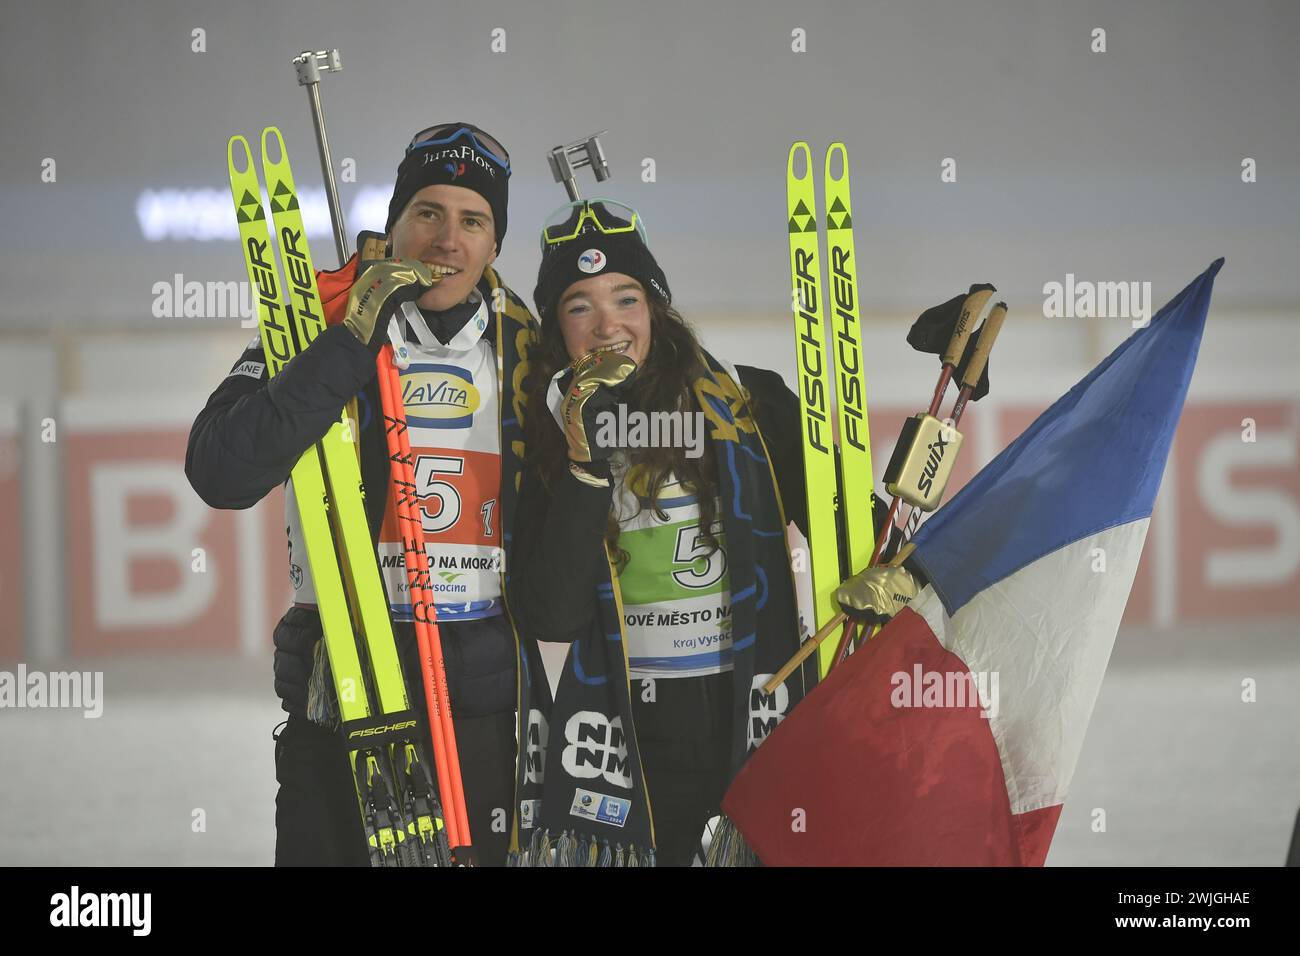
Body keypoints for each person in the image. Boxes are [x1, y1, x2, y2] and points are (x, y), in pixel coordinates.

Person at [186, 122, 548, 866]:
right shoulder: (315, 326)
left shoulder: (528, 354)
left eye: (472, 221)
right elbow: (220, 470)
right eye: (427, 213)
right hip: (341, 696)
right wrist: (350, 339)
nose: (447, 239)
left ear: (494, 246)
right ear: (394, 224)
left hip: (478, 705)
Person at [505, 199, 895, 866]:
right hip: (630, 729)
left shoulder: (751, 401)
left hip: (756, 703)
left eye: (626, 298)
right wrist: (580, 458)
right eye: (579, 306)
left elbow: (864, 533)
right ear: (557, 329)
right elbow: (552, 615)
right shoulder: (543, 434)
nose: (608, 325)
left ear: (654, 307)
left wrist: (911, 508)